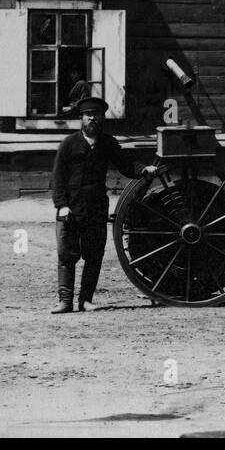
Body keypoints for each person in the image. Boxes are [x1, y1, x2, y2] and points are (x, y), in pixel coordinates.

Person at [50, 94, 156, 314]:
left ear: (102, 118)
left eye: (97, 115)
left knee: (93, 256)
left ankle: (86, 300)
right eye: (88, 115)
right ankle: (65, 301)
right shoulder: (69, 144)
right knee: (66, 256)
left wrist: (143, 170)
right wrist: (62, 205)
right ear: (81, 119)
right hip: (70, 209)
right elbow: (57, 179)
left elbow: (126, 164)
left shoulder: (107, 143)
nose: (93, 119)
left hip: (96, 209)